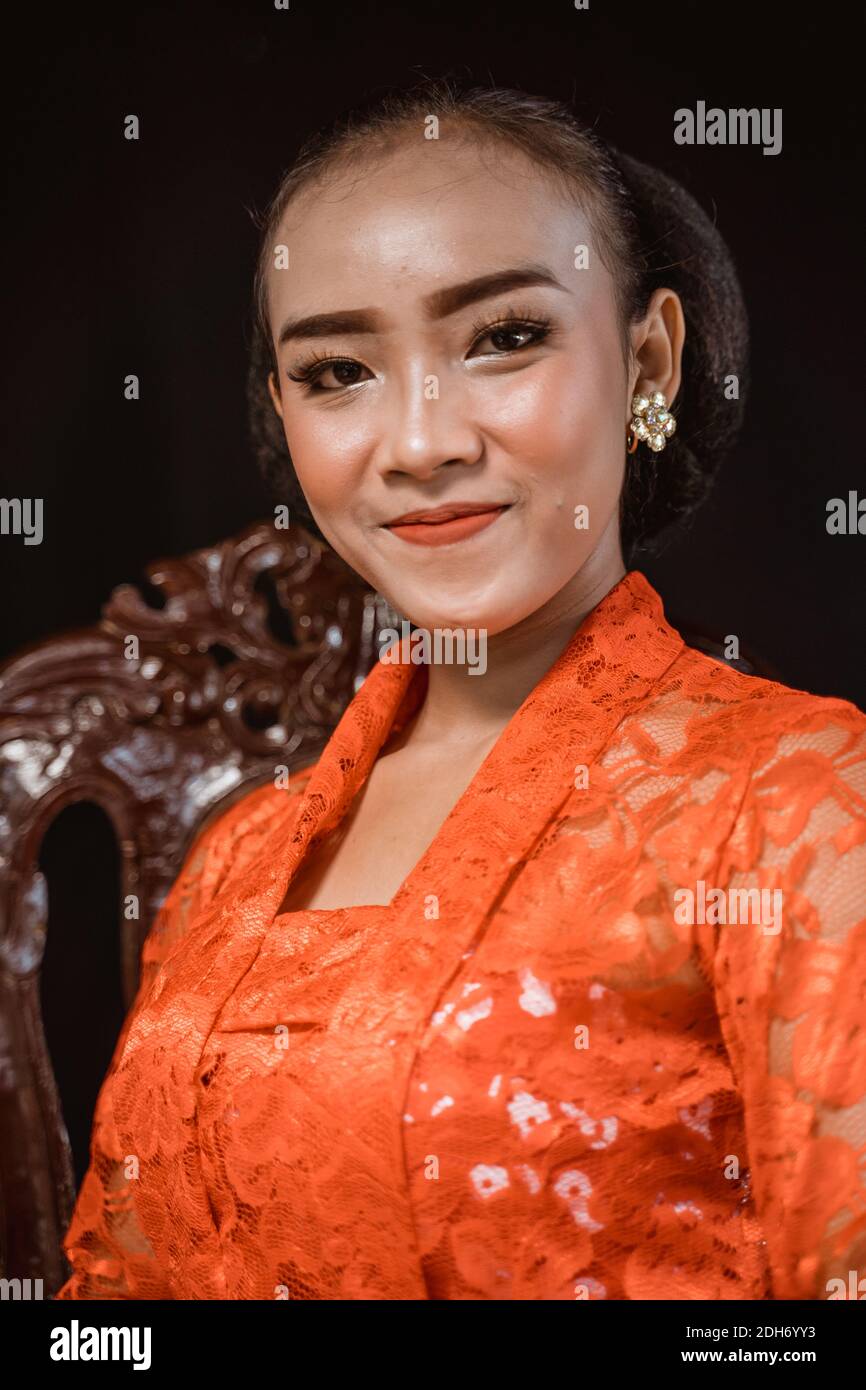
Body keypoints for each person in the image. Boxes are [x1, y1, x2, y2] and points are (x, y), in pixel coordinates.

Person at [57, 78, 866, 1301]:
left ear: (646, 356)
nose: (420, 442)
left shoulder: (793, 803)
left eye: (501, 338)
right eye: (336, 371)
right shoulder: (239, 856)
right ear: (283, 411)